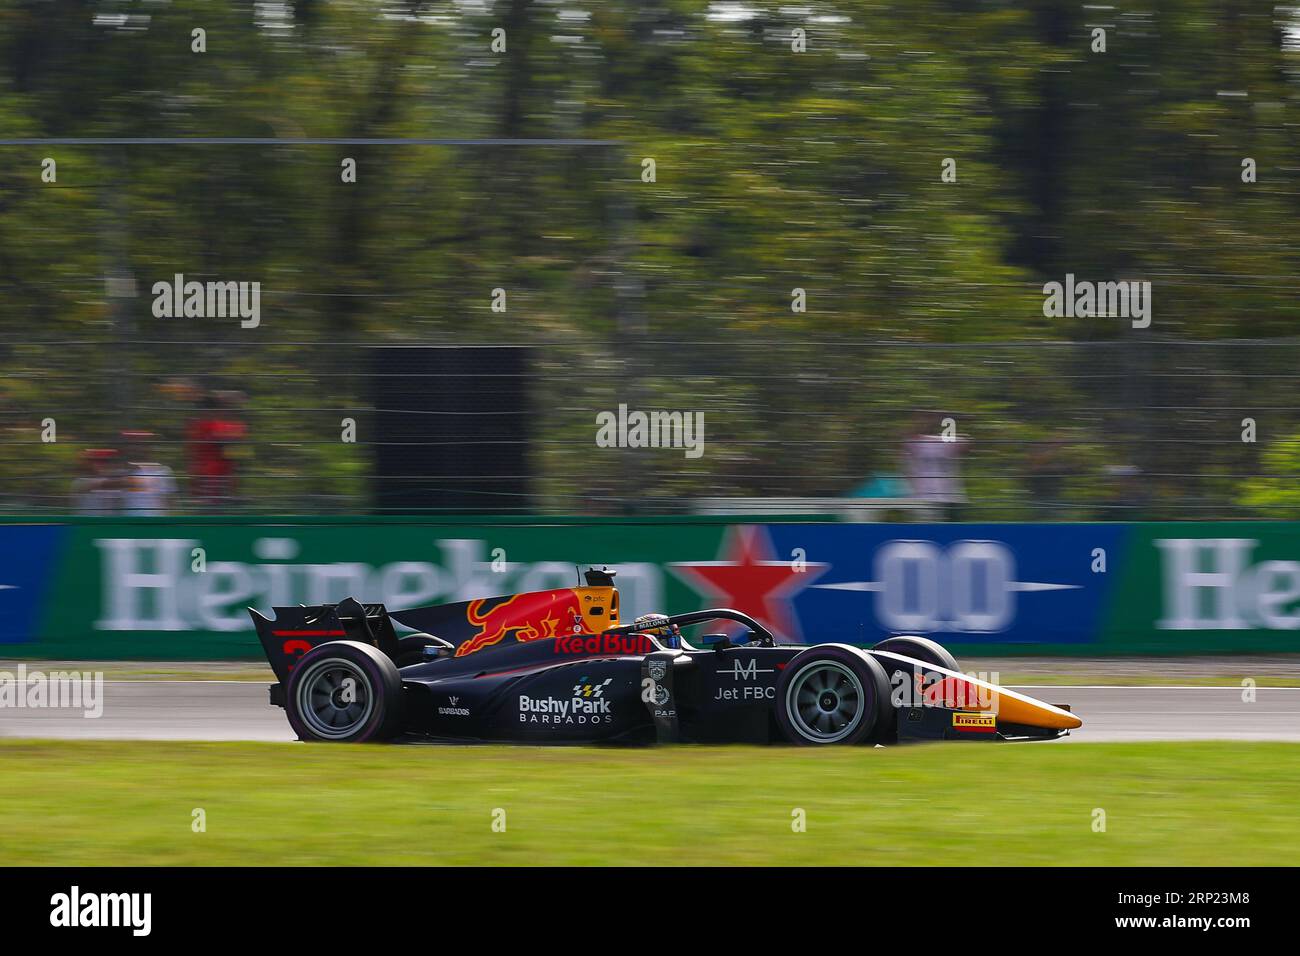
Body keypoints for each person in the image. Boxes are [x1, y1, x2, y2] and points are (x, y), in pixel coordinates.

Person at [188, 390, 247, 510]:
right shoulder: (208, 425)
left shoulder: (205, 425)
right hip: (211, 480)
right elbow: (231, 445)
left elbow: (238, 452)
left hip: (221, 480)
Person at [903, 414, 969, 521]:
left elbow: (964, 443)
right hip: (923, 500)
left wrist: (947, 420)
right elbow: (911, 438)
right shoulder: (913, 443)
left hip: (950, 499)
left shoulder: (950, 442)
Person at [120, 431, 177, 516]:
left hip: (154, 523)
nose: (137, 448)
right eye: (133, 444)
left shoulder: (162, 471)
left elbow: (169, 501)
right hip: (129, 525)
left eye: (141, 444)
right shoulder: (122, 472)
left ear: (149, 447)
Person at [71, 448, 122, 515]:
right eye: (98, 462)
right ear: (89, 464)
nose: (103, 465)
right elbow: (103, 484)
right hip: (88, 523)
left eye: (106, 461)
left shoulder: (114, 480)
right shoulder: (80, 482)